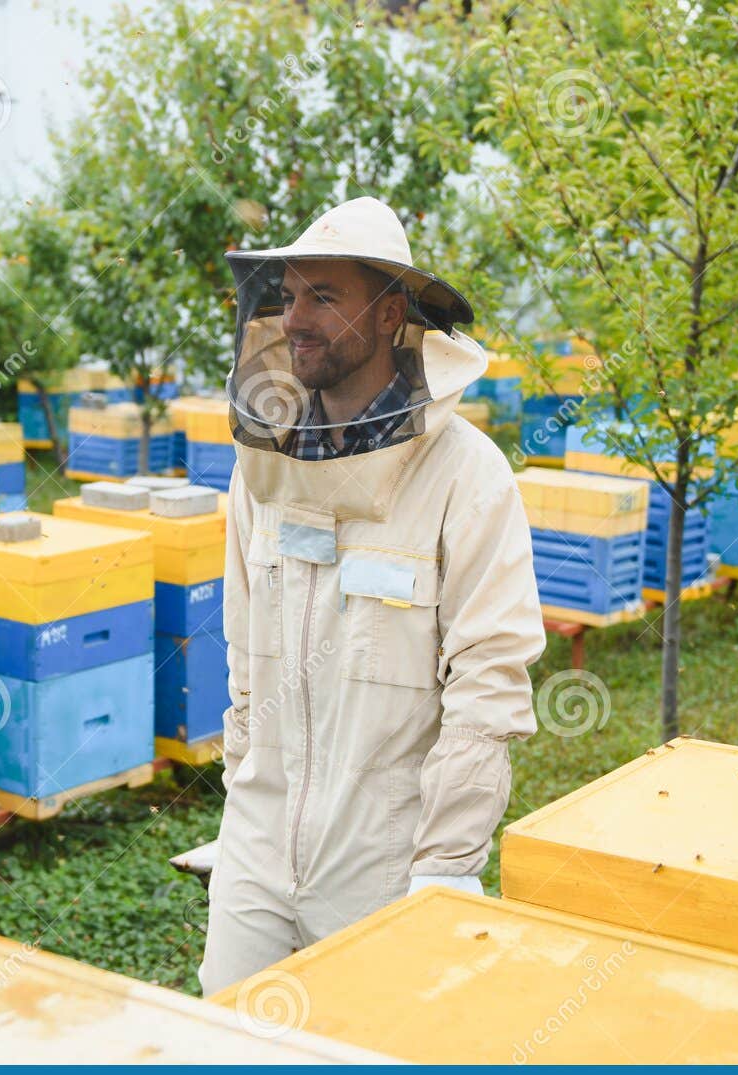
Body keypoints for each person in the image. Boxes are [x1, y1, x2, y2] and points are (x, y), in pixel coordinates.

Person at [199, 196, 545, 996]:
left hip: (384, 861)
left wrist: (445, 863)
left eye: (324, 296)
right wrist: (243, 792)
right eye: (289, 295)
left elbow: (487, 684)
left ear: (391, 314)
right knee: (229, 1045)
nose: (295, 320)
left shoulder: (466, 475)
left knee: (368, 1059)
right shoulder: (263, 468)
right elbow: (245, 650)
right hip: (256, 845)